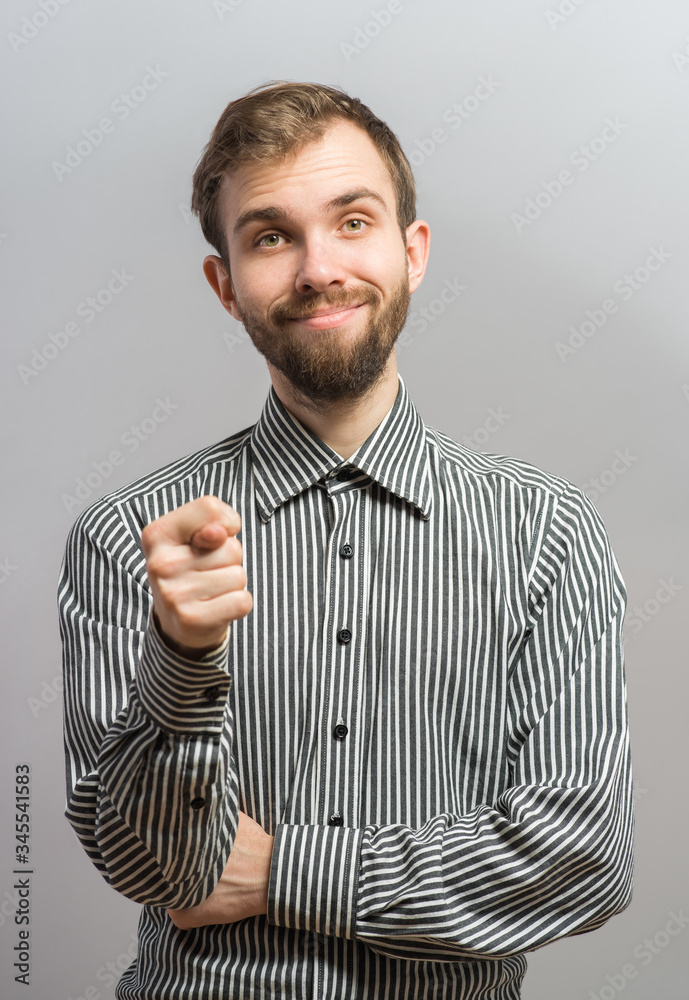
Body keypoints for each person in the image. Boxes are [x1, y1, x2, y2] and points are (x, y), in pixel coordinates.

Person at [59, 81, 634, 1000]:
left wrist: (281, 873)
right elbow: (153, 870)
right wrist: (181, 657)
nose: (318, 268)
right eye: (271, 235)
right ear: (225, 284)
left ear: (412, 252)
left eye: (352, 222)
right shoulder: (129, 540)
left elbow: (583, 857)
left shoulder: (546, 535)